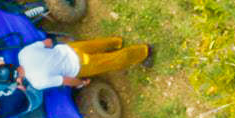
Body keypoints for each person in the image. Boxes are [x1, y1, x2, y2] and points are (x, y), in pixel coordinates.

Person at [16, 31, 153, 91]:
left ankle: (144, 51)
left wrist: (81, 83)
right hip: (72, 48)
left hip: (81, 65)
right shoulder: (22, 54)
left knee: (114, 61)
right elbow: (48, 42)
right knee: (99, 44)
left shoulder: (37, 83)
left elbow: (66, 80)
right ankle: (117, 42)